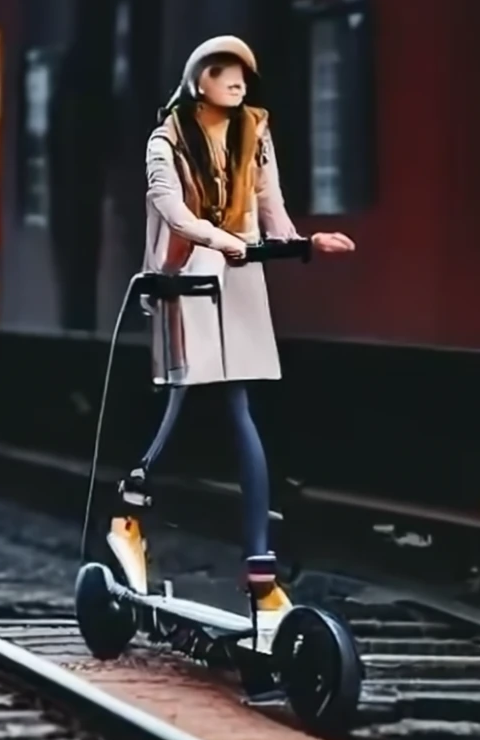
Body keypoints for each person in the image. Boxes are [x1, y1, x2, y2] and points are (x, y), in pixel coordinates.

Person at [124, 35, 354, 619]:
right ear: (199, 79)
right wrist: (223, 239)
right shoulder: (166, 139)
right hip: (186, 273)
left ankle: (259, 568)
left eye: (243, 74)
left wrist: (304, 243)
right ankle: (131, 507)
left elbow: (269, 206)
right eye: (225, 72)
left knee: (238, 407)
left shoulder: (256, 131)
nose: (238, 82)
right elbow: (171, 209)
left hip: (242, 276)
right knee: (186, 397)